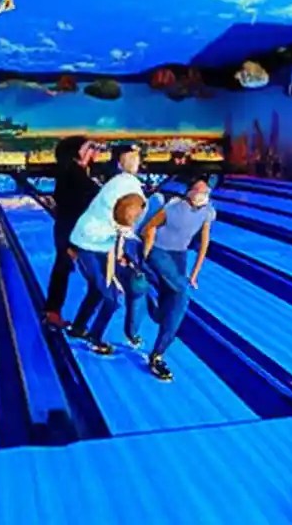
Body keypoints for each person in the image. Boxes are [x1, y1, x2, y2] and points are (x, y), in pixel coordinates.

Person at [67, 144, 146, 347]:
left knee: (98, 290)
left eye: (136, 158)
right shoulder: (127, 187)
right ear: (121, 163)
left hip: (100, 243)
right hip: (87, 243)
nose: (135, 162)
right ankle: (95, 338)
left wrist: (120, 253)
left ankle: (78, 328)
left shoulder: (124, 183)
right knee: (111, 298)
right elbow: (127, 224)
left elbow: (122, 231)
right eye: (132, 158)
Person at [139, 178, 216, 381]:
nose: (203, 195)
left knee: (171, 301)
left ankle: (156, 316)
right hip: (159, 251)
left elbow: (204, 243)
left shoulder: (208, 211)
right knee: (182, 295)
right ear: (189, 192)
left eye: (206, 191)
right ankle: (157, 355)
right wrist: (146, 254)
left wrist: (194, 274)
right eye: (199, 191)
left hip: (179, 256)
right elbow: (149, 227)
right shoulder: (172, 207)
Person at [45, 136, 100, 329]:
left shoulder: (75, 172)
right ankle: (55, 314)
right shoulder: (74, 175)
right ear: (77, 152)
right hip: (71, 231)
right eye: (89, 147)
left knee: (62, 269)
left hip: (68, 229)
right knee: (64, 269)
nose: (94, 151)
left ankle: (53, 312)